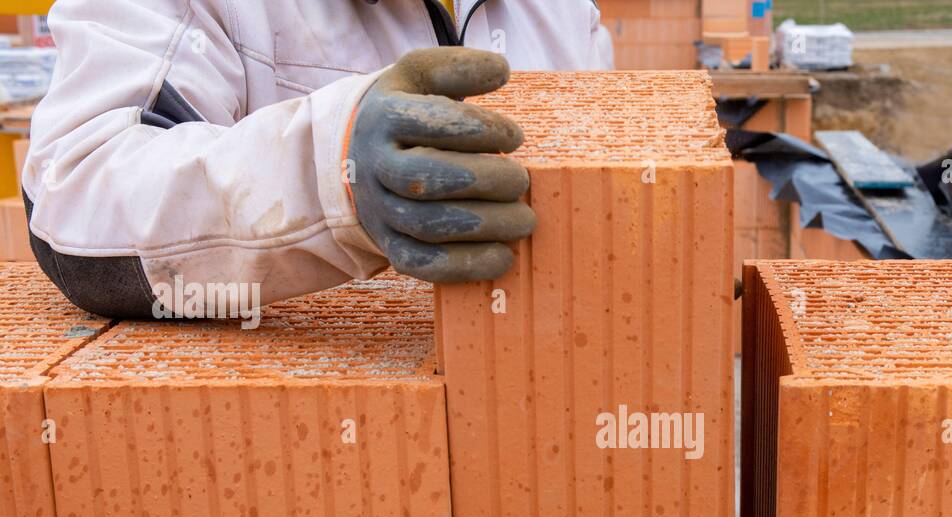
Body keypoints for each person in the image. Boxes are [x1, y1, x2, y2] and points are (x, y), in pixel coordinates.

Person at [22, 0, 611, 318]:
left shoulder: (560, 10)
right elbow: (79, 192)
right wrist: (333, 173)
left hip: (518, 415)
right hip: (297, 451)